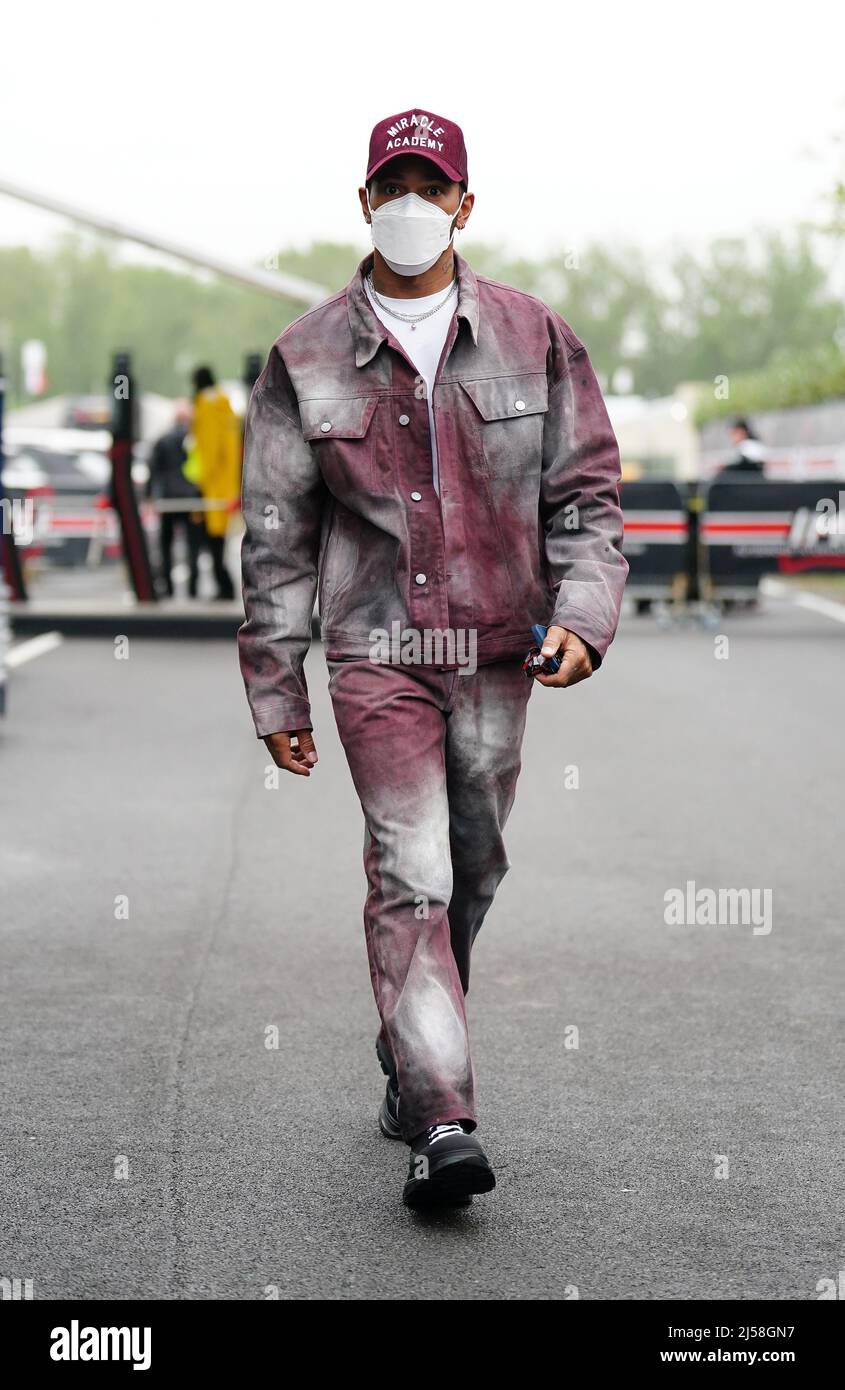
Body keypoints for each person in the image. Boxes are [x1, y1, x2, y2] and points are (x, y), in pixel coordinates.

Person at [237, 107, 629, 1209]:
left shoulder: (533, 337)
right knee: (410, 870)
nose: (411, 202)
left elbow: (587, 496)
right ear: (364, 202)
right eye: (391, 184)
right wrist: (276, 680)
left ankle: (410, 1048)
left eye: (431, 184)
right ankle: (444, 1119)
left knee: (473, 863)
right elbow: (273, 535)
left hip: (501, 648)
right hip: (377, 651)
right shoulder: (305, 355)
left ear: (464, 204)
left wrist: (583, 615)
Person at [191, 365, 240, 599]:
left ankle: (224, 586)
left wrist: (202, 479)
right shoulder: (224, 403)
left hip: (212, 487)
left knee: (212, 540)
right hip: (227, 485)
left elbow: (210, 449)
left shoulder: (206, 405)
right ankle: (225, 585)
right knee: (218, 539)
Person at [146, 401, 204, 598]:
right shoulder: (198, 439)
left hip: (168, 500)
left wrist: (149, 496)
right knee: (193, 545)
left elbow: (153, 470)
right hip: (192, 499)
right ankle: (193, 588)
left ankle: (167, 587)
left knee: (166, 545)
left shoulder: (163, 440)